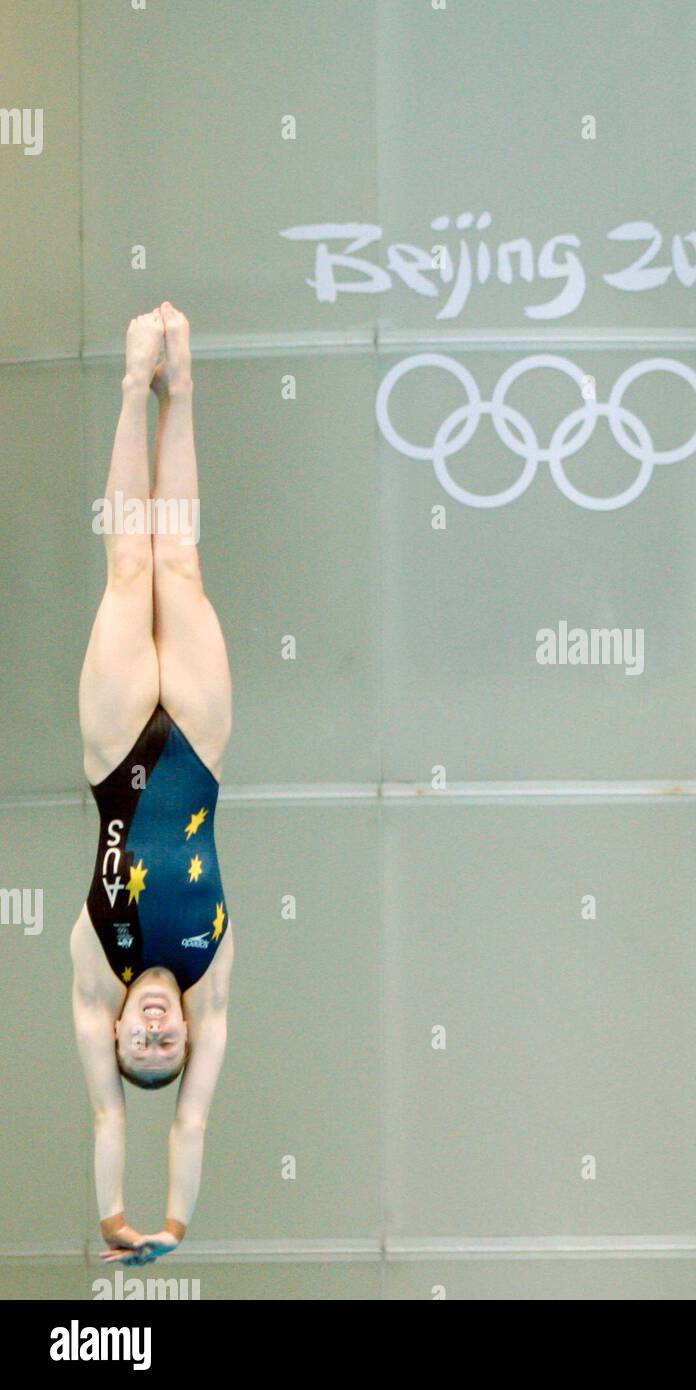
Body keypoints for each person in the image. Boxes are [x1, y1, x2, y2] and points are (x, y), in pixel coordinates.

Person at [70, 304, 233, 1267]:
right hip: (203, 747)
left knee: (130, 568)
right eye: (167, 1051)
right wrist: (177, 1224)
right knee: (184, 562)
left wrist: (116, 1220)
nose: (160, 1035)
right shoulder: (211, 983)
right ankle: (188, 388)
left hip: (115, 748)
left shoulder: (99, 973)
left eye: (144, 1044)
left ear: (120, 1027)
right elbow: (193, 1124)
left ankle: (136, 384)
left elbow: (108, 1115)